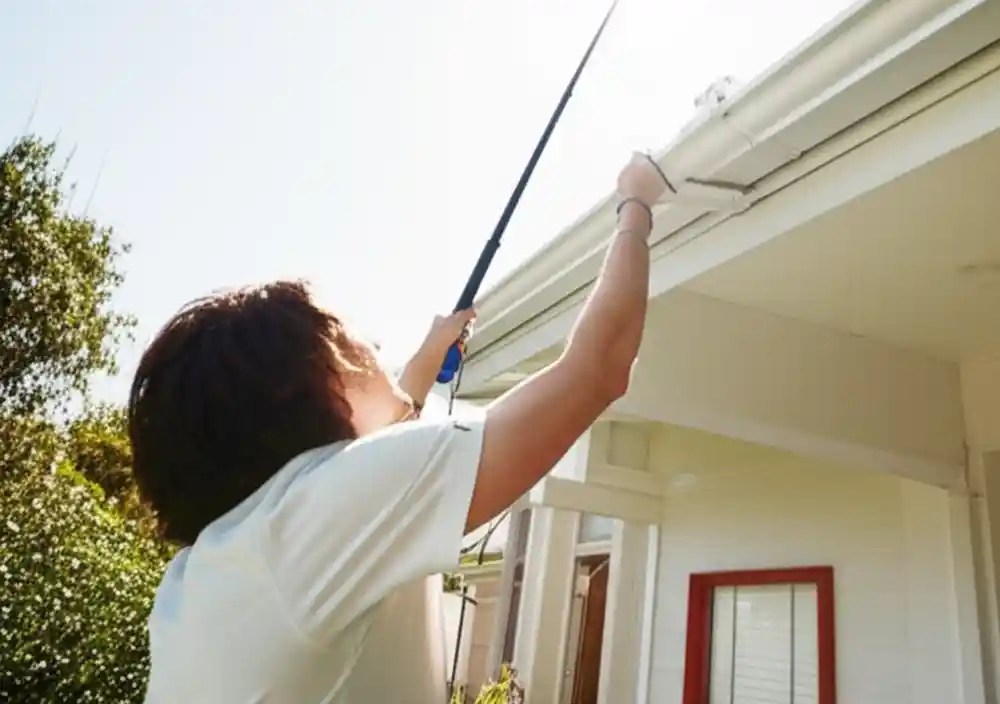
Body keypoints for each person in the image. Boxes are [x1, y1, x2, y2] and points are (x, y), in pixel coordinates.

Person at [128, 152, 671, 702]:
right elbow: (596, 370)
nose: (376, 346)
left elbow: (371, 451)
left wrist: (421, 365)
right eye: (348, 334)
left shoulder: (216, 567)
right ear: (314, 378)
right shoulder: (313, 517)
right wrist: (636, 202)